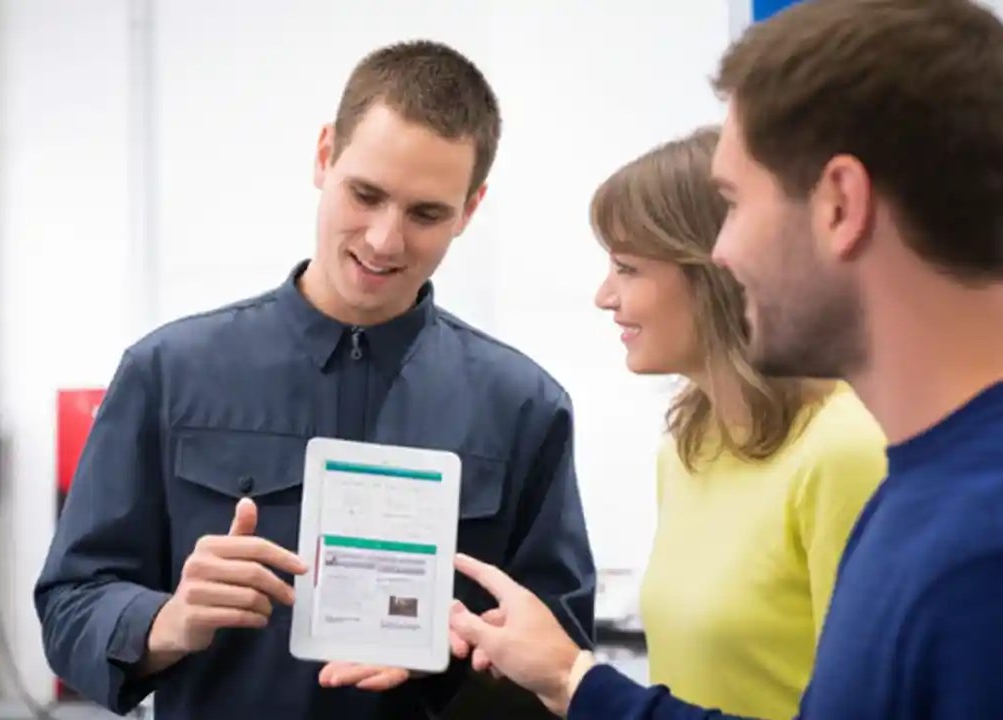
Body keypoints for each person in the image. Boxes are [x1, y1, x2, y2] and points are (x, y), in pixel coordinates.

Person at [447, 1, 1003, 718]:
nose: (721, 251)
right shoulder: (944, 488)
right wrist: (572, 681)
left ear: (840, 204)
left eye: (735, 202)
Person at [34, 39, 596, 720]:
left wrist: (454, 659)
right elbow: (70, 606)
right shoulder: (170, 374)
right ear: (325, 155)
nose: (386, 240)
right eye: (366, 194)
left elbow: (562, 663)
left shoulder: (522, 409)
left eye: (426, 213)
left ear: (470, 209)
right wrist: (166, 622)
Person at [586, 128, 884, 719]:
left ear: (715, 273)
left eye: (627, 268)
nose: (604, 296)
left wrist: (582, 688)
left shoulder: (846, 450)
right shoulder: (688, 447)